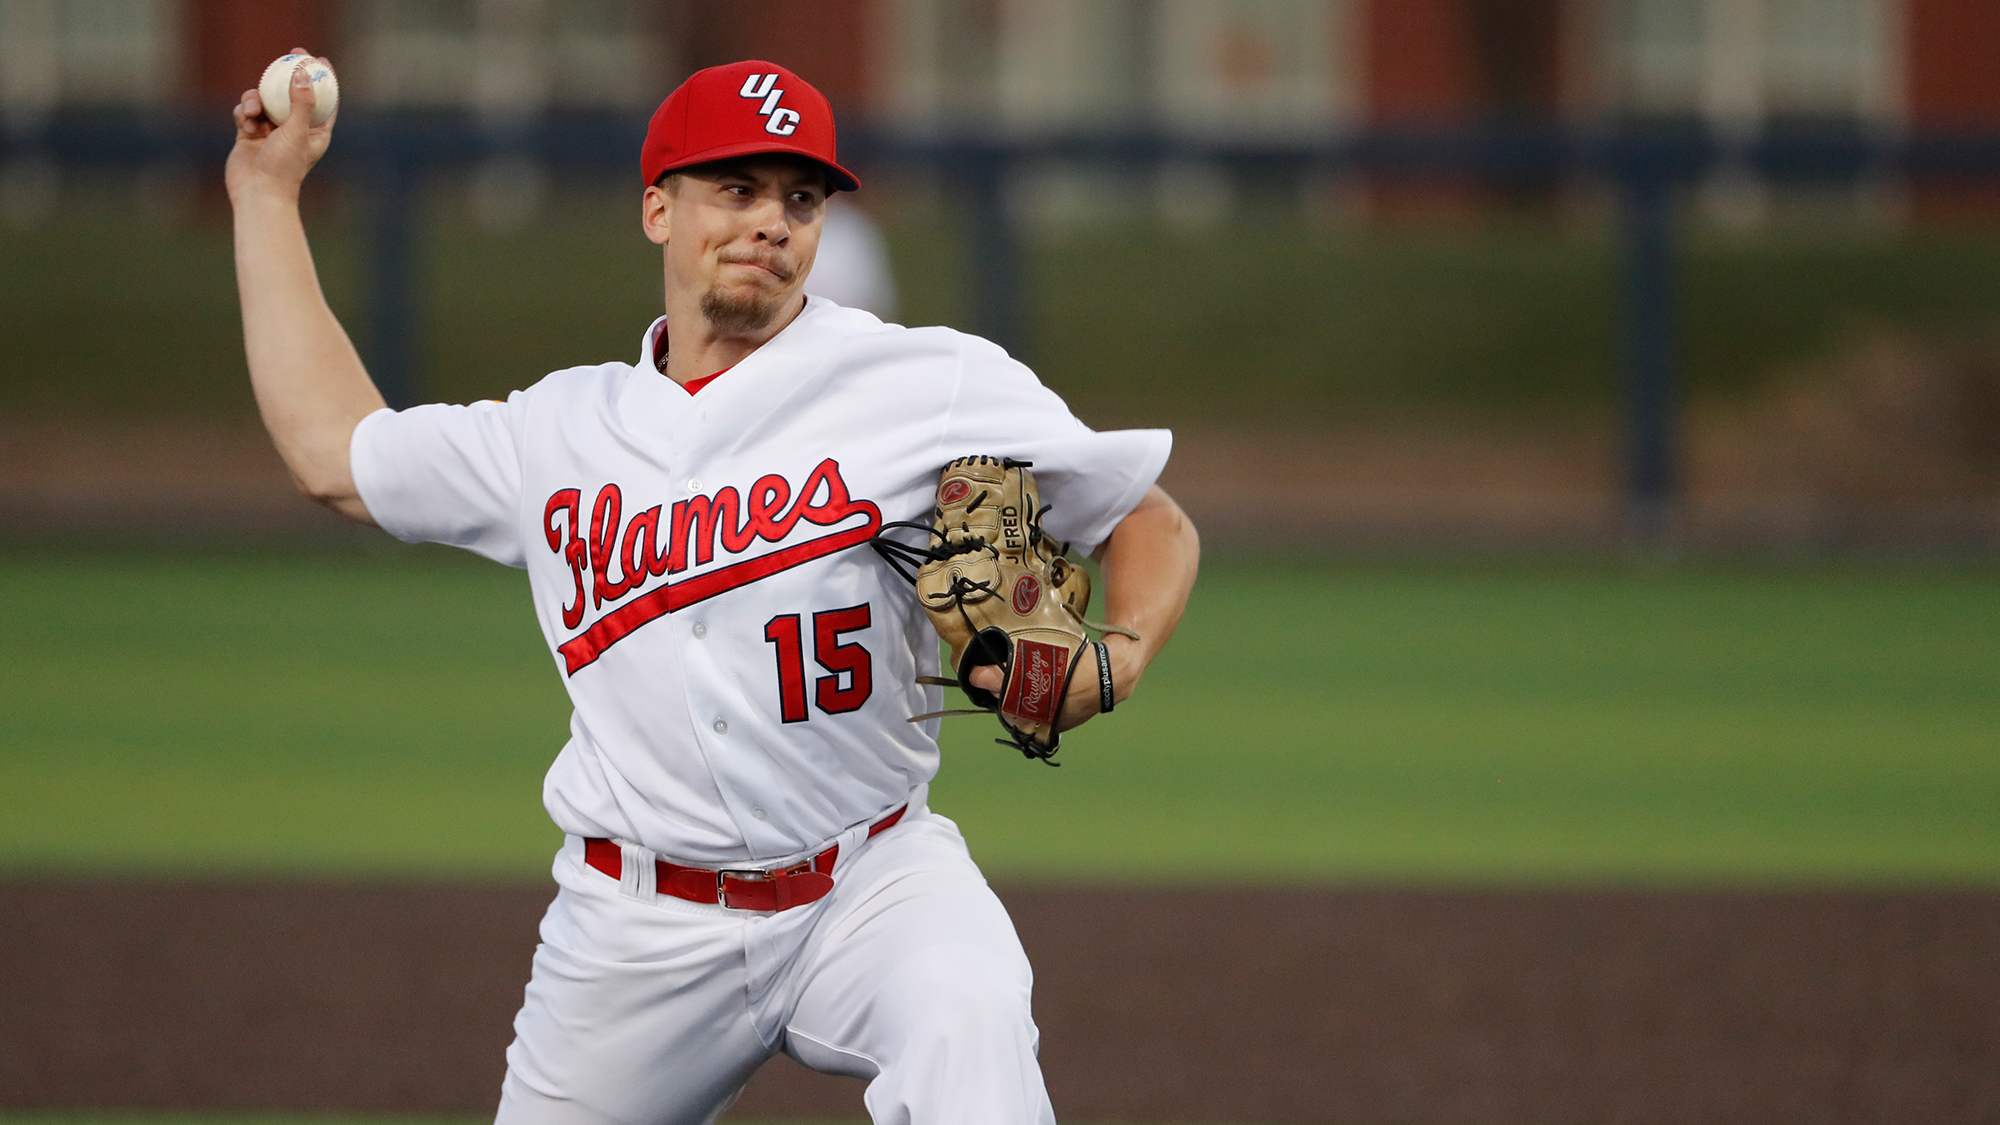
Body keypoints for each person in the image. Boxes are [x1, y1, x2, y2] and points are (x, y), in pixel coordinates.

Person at [228, 54, 1199, 1125]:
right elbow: (334, 453)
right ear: (657, 209)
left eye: (799, 197)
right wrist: (265, 195)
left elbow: (1145, 516)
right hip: (632, 927)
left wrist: (1124, 649)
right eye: (734, 189)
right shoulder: (557, 431)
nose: (770, 222)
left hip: (872, 885)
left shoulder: (927, 381)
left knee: (969, 1022)